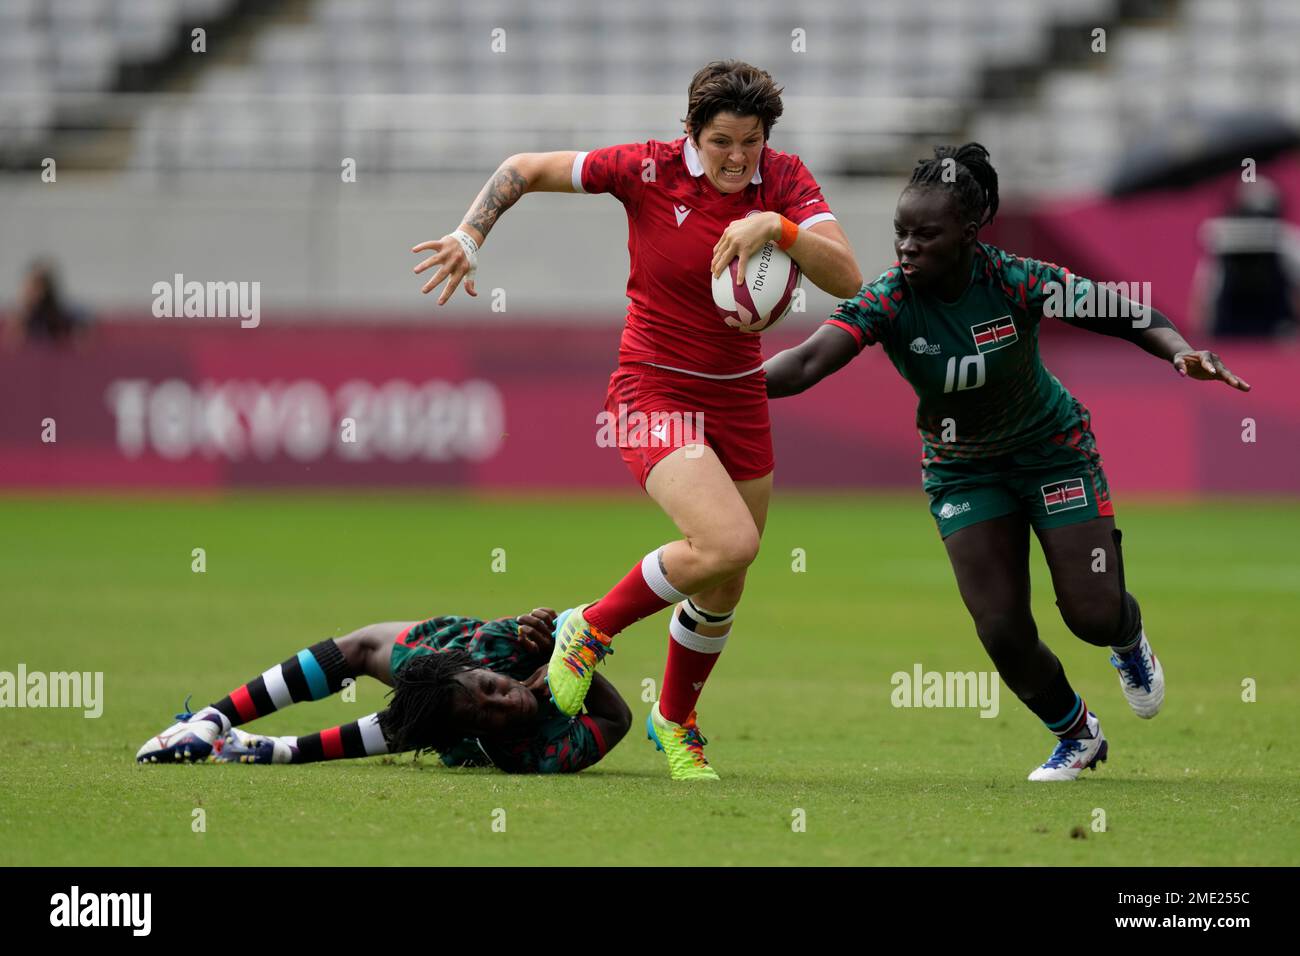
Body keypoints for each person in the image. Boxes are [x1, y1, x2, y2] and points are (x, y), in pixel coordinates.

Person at [411, 60, 861, 780]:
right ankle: (587, 627)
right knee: (725, 540)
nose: (737, 157)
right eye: (721, 141)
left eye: (750, 140)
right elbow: (523, 168)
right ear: (692, 134)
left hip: (739, 393)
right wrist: (470, 235)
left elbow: (846, 276)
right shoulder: (646, 171)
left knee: (726, 578)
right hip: (651, 390)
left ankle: (675, 720)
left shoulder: (784, 182)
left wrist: (775, 226)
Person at [764, 143, 1251, 781]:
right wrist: (718, 383)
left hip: (1052, 453)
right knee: (1000, 628)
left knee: (1093, 616)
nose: (907, 248)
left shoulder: (1017, 279)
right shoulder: (887, 300)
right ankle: (1076, 734)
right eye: (900, 233)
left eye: (925, 235)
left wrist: (1181, 351)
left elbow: (1124, 314)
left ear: (969, 234)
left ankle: (1128, 640)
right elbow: (804, 363)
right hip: (963, 470)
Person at [135, 607, 630, 774]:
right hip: (456, 670)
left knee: (407, 703)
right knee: (390, 675)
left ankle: (270, 747)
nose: (505, 698)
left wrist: (560, 646)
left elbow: (617, 719)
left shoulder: (520, 751)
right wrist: (570, 658)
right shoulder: (536, 746)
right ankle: (213, 722)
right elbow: (616, 717)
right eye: (493, 699)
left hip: (458, 691)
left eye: (493, 696)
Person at [1190, 177, 1300, 338]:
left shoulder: (1285, 240)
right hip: (1230, 334)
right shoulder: (1221, 239)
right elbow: (1205, 297)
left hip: (1276, 335)